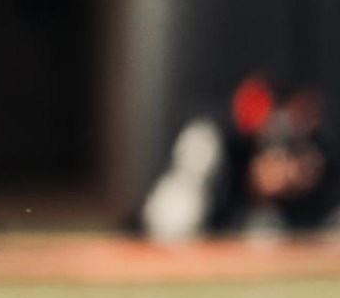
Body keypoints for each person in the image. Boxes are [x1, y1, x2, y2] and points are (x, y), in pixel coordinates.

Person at [141, 74, 340, 242]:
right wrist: (255, 180)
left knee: (266, 229)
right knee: (180, 207)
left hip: (259, 226)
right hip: (206, 220)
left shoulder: (314, 146)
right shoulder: (216, 135)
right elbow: (176, 212)